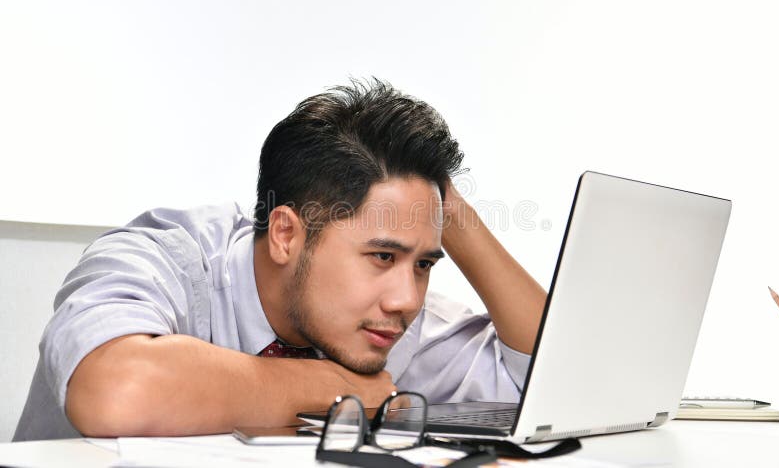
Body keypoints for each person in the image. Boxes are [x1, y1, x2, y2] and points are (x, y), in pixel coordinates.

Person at [13, 79, 547, 441]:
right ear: (288, 234)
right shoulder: (165, 259)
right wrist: (348, 393)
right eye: (382, 255)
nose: (407, 299)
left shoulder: (386, 321)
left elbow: (549, 387)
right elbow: (116, 393)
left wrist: (442, 203)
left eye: (423, 265)